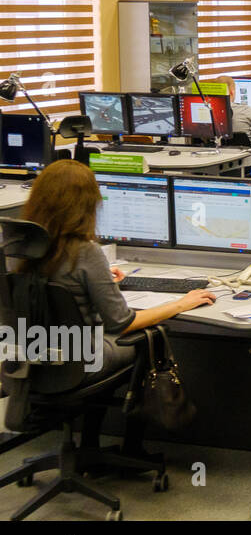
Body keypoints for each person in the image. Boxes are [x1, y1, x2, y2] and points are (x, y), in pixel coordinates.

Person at [0, 161, 216, 384]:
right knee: (150, 340)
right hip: (80, 360)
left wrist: (98, 277)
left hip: (25, 358)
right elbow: (122, 323)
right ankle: (138, 415)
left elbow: (51, 280)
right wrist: (183, 303)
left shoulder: (14, 248)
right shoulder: (84, 252)